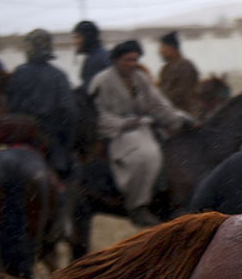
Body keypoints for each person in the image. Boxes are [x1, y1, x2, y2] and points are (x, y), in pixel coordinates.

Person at [87, 40, 196, 227]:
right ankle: (137, 206)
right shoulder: (102, 81)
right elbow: (97, 114)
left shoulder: (140, 78)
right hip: (117, 132)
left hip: (143, 127)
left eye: (135, 60)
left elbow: (158, 104)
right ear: (116, 60)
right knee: (147, 155)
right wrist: (124, 124)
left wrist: (181, 118)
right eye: (127, 60)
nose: (132, 64)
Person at [4, 29, 77, 180]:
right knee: (71, 174)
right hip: (50, 140)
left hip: (20, 137)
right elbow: (69, 112)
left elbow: (10, 106)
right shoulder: (59, 75)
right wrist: (67, 140)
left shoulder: (18, 73)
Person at [157, 31, 201, 116]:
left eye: (162, 48)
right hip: (170, 114)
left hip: (186, 115)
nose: (160, 52)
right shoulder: (166, 68)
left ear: (172, 48)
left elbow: (183, 94)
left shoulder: (185, 66)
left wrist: (160, 103)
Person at [73, 21, 111, 91]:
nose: (75, 41)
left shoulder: (96, 60)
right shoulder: (103, 54)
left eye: (78, 37)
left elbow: (90, 91)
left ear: (88, 38)